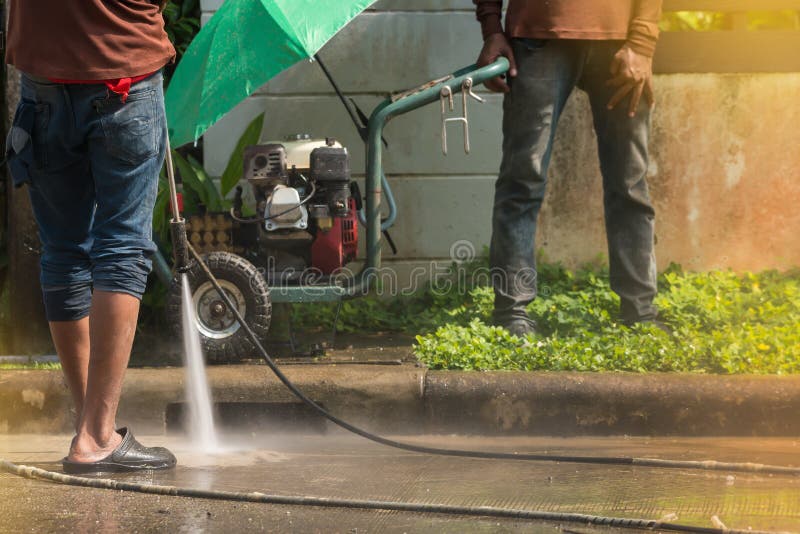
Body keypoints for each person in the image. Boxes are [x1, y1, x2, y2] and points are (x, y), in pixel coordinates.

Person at [5, 0, 177, 472]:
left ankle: (89, 426)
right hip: (124, 72)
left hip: (44, 80)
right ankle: (98, 435)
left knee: (63, 251)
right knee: (121, 246)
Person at [474, 0, 666, 337]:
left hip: (620, 40)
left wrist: (642, 43)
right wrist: (491, 28)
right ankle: (512, 312)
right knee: (523, 177)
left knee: (630, 182)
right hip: (537, 34)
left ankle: (640, 312)